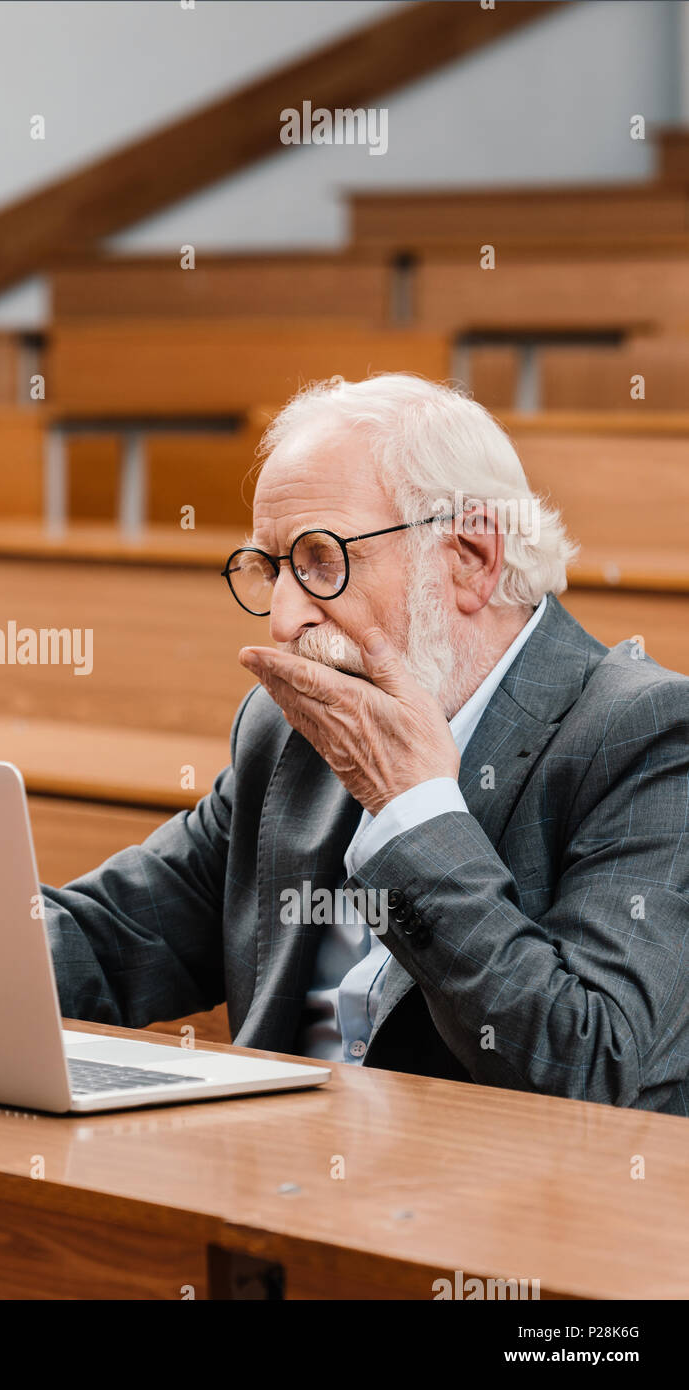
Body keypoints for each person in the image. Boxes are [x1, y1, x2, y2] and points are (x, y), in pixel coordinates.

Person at [42, 373, 689, 1112]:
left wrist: (414, 813)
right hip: (268, 1178)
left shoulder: (650, 739)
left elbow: (594, 1069)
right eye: (273, 569)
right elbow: (109, 937)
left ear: (471, 558)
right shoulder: (290, 731)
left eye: (322, 560)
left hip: (480, 1210)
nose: (285, 619)